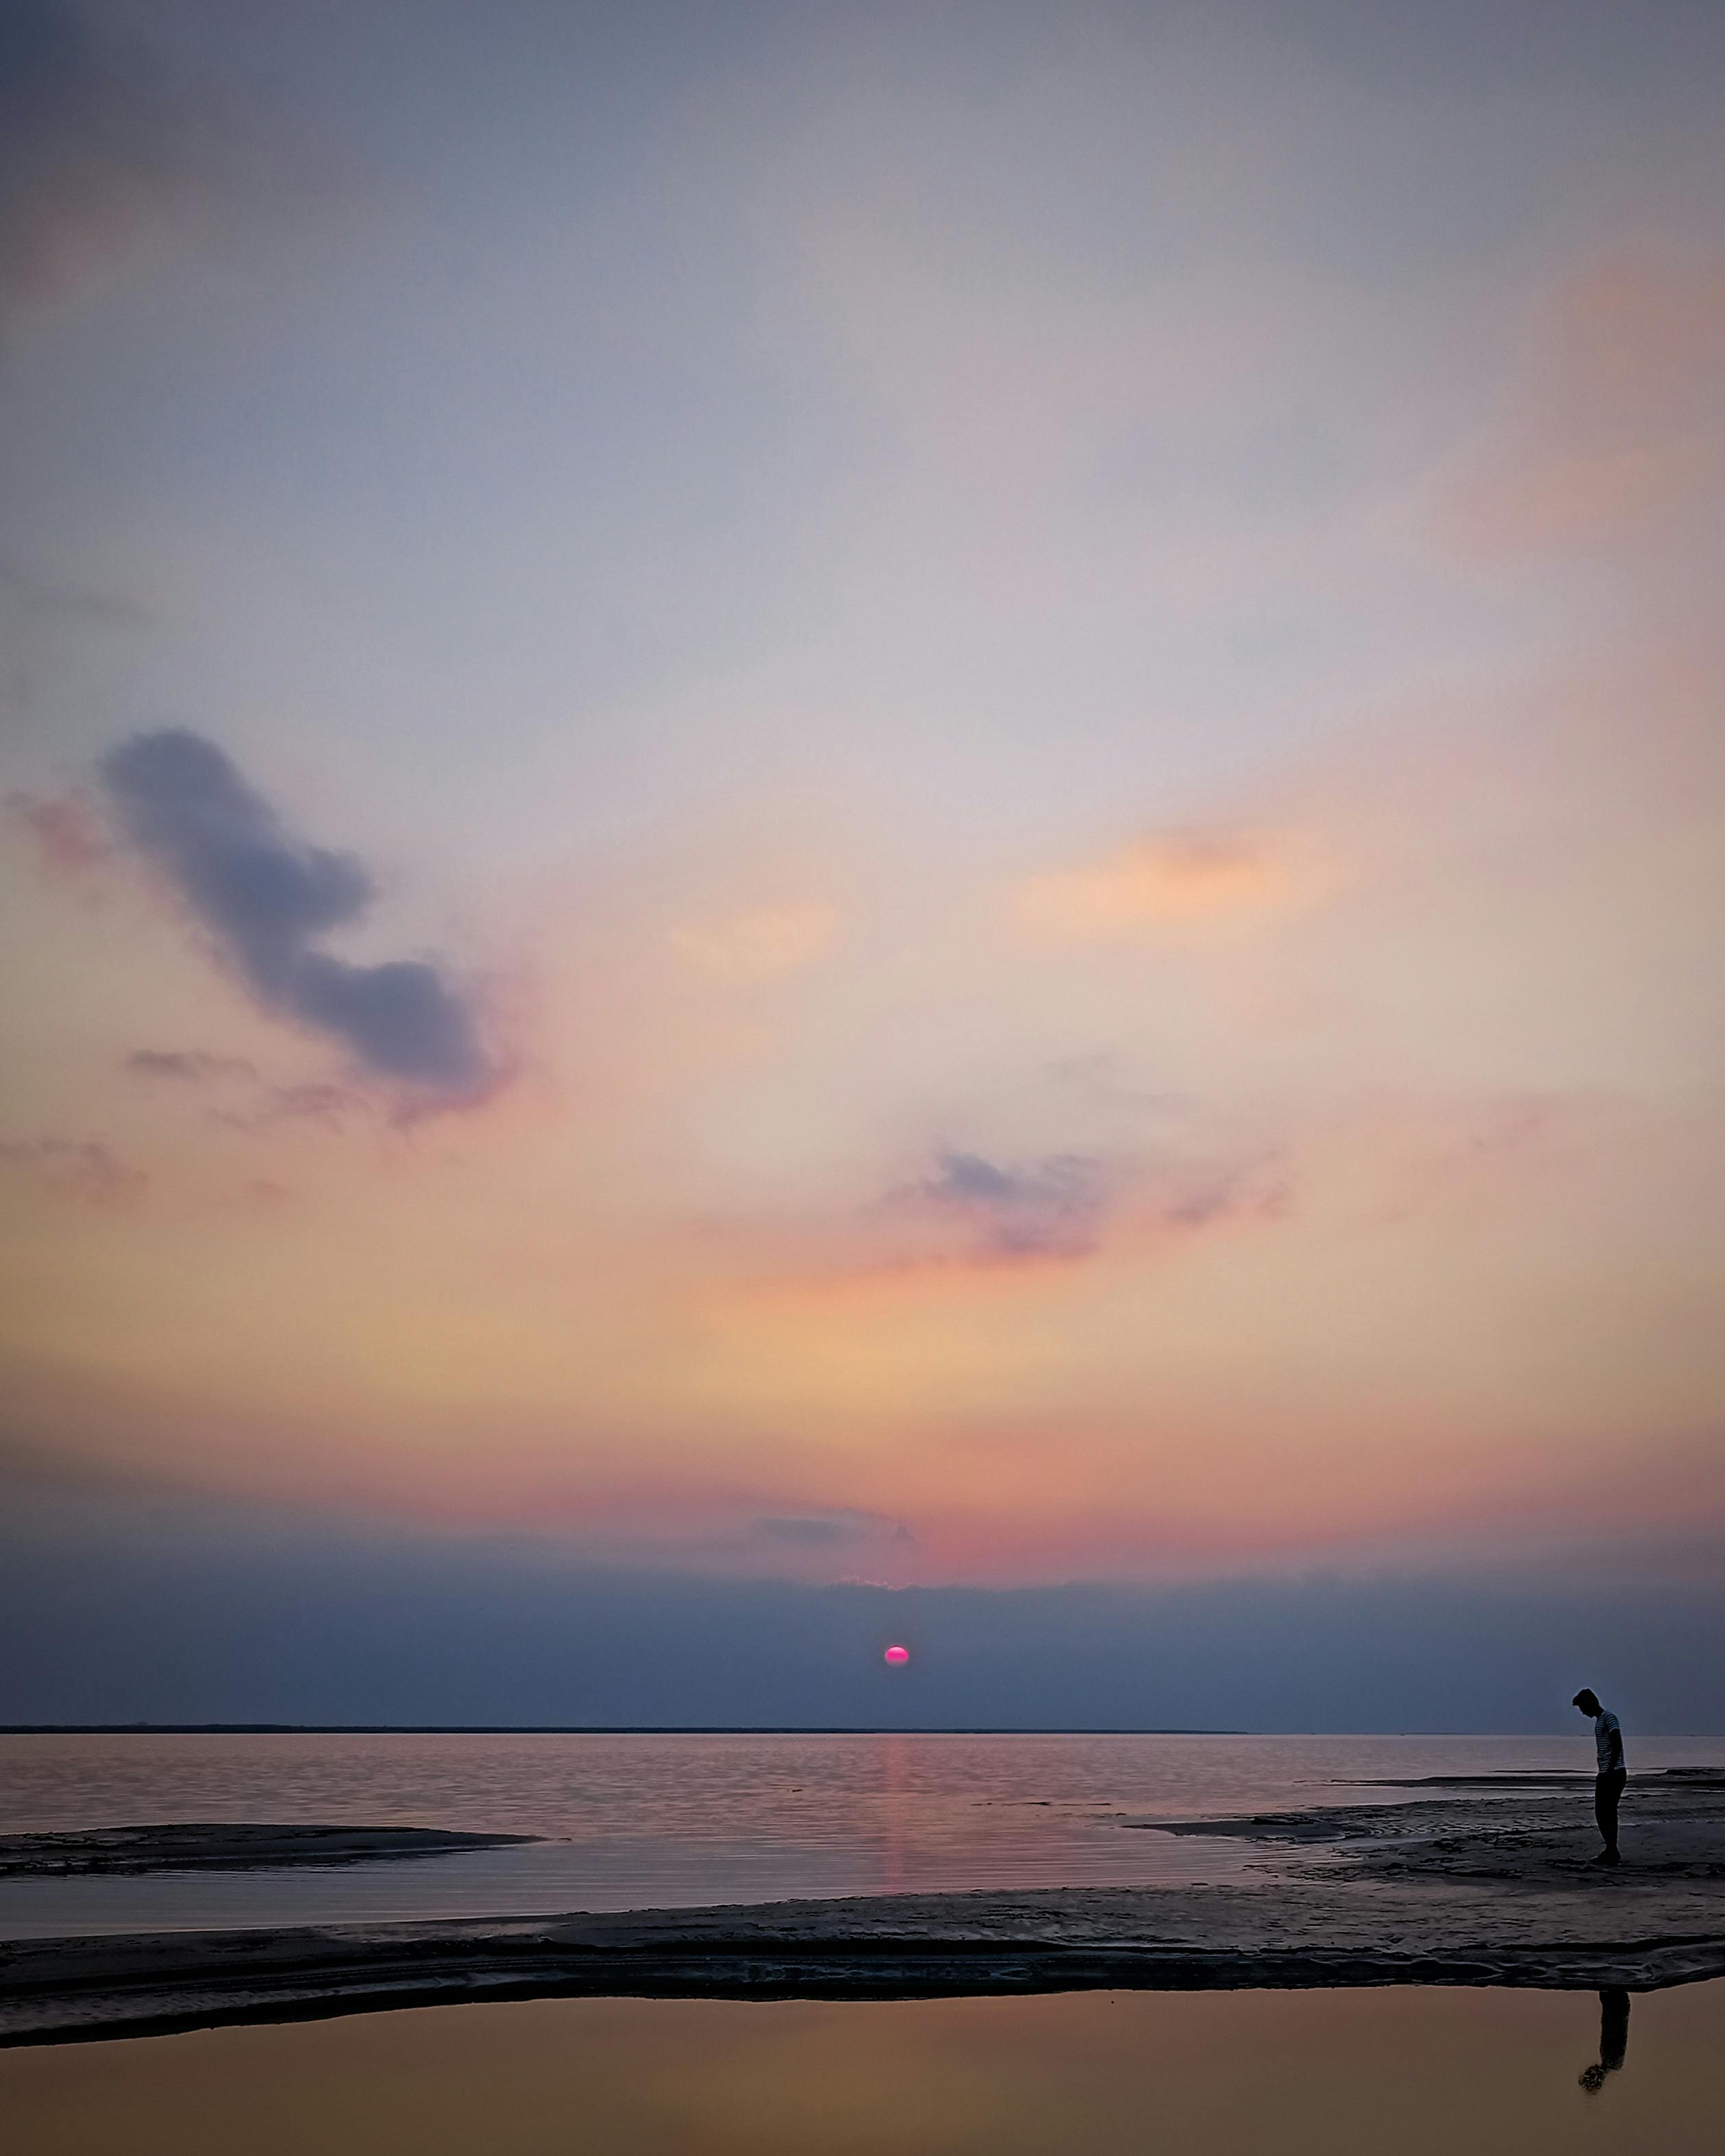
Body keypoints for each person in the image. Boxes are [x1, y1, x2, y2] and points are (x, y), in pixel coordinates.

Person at [1572, 1688, 1626, 1864]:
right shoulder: (1600, 1721)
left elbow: (1617, 1743)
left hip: (1614, 1773)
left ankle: (1612, 1849)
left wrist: (1609, 1770)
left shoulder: (1609, 1718)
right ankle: (1611, 1848)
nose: (1582, 1712)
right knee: (1603, 1812)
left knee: (1607, 1812)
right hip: (1608, 1772)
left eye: (1582, 1707)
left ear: (1589, 1704)